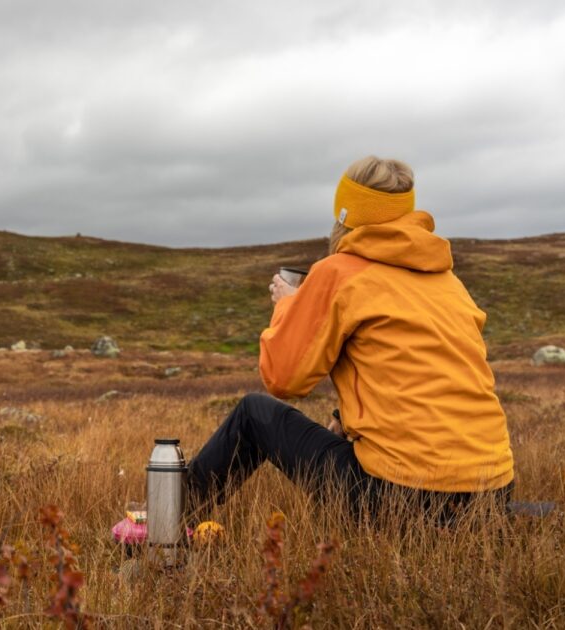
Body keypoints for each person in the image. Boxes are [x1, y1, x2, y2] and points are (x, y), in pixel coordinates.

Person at [185, 156, 515, 523]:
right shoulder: (449, 283)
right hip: (494, 494)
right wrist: (345, 418)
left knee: (252, 414)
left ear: (344, 214)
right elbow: (426, 371)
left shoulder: (340, 273)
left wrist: (286, 309)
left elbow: (283, 378)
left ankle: (167, 522)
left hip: (400, 496)